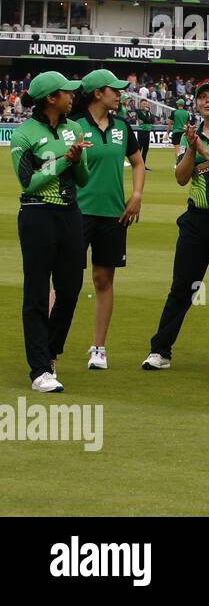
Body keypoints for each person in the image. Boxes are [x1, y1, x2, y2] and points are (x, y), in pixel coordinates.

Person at [142, 80, 209, 371]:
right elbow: (181, 177)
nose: (208, 100)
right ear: (196, 104)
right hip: (196, 219)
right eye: (203, 97)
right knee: (182, 286)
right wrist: (191, 148)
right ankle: (160, 350)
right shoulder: (192, 133)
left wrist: (204, 149)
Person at [11, 71, 90, 393]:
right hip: (37, 215)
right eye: (67, 93)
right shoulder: (24, 135)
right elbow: (28, 182)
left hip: (70, 214)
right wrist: (63, 162)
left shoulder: (74, 128)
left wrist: (78, 159)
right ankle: (40, 369)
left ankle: (50, 351)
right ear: (50, 98)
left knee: (70, 290)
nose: (73, 97)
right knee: (36, 293)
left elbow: (83, 179)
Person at [71, 69, 145, 371]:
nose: (120, 93)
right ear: (97, 93)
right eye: (114, 89)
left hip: (113, 215)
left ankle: (98, 348)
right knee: (66, 281)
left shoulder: (122, 126)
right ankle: (49, 346)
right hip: (75, 213)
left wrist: (137, 195)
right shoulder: (72, 125)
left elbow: (138, 163)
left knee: (104, 280)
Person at [134, 98, 153, 170]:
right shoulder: (138, 111)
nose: (145, 105)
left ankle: (143, 165)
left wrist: (146, 119)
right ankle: (137, 164)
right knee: (140, 148)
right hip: (141, 131)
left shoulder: (148, 112)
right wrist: (146, 119)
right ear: (140, 104)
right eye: (143, 104)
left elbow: (151, 120)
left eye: (146, 104)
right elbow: (143, 120)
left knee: (146, 149)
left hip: (148, 131)